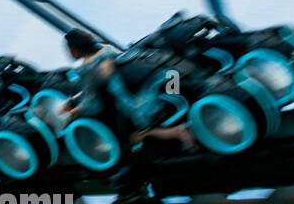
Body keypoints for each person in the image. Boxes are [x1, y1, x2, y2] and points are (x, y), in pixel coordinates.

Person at [60, 28, 194, 149]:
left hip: (142, 106)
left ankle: (177, 133)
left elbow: (93, 105)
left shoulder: (87, 69)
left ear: (75, 50)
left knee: (130, 138)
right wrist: (74, 99)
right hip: (169, 77)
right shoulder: (107, 51)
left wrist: (73, 112)